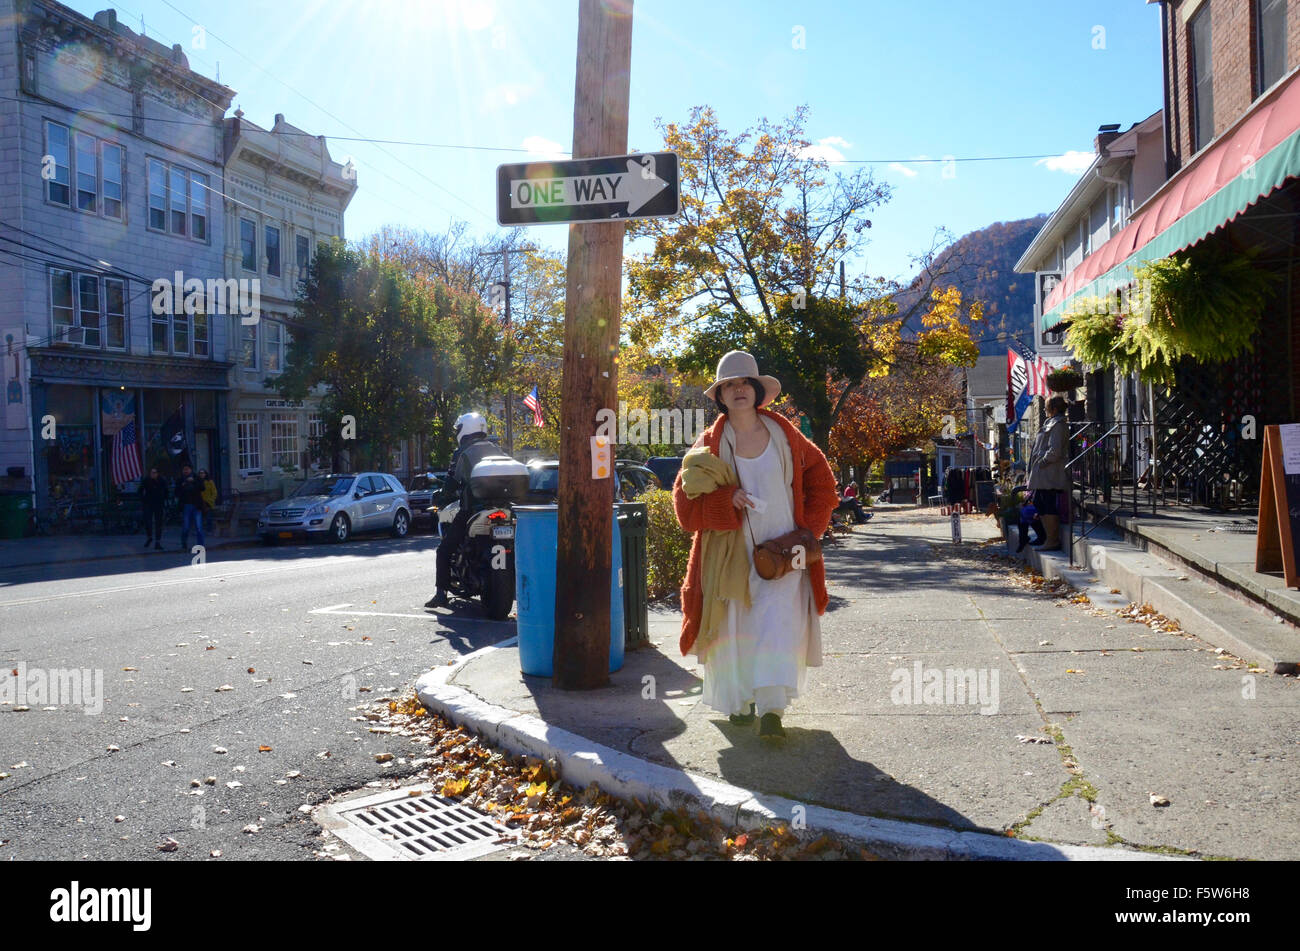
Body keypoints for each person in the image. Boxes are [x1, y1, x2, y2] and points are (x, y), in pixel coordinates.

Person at [674, 351, 838, 740]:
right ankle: (741, 702)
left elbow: (824, 487)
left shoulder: (786, 436)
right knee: (736, 626)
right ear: (720, 396)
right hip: (730, 556)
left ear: (758, 389)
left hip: (782, 552)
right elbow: (685, 510)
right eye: (729, 385)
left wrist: (806, 534)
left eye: (744, 382)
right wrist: (723, 501)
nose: (738, 389)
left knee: (776, 624)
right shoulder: (708, 445)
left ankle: (771, 711)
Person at [425, 412, 499, 609]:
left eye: (458, 429)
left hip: (473, 508)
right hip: (501, 509)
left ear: (465, 429)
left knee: (444, 550)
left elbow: (452, 481)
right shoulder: (497, 449)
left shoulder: (463, 452)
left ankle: (441, 593)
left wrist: (442, 496)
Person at [1027, 395, 1069, 550]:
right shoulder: (1050, 422)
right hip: (1043, 471)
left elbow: (1055, 450)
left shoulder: (1058, 425)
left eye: (1046, 407)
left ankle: (1052, 540)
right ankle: (1048, 538)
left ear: (1055, 408)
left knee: (1047, 501)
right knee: (1039, 501)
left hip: (1050, 471)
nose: (1044, 410)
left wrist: (1043, 462)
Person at [175, 463, 206, 552]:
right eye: (184, 469)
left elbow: (202, 488)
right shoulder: (180, 480)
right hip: (186, 505)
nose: (186, 471)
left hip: (196, 505)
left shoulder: (196, 478)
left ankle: (200, 546)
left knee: (199, 527)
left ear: (191, 470)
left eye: (187, 469)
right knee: (186, 527)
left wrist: (194, 481)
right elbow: (176, 492)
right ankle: (184, 543)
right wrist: (183, 484)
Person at [139, 467, 168, 551]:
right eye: (152, 472)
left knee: (159, 523)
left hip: (159, 504)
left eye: (155, 472)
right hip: (148, 503)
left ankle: (157, 541)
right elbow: (140, 490)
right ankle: (149, 536)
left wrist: (164, 499)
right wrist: (143, 499)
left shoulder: (162, 481)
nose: (153, 474)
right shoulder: (146, 480)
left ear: (157, 473)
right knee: (148, 521)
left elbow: (166, 491)